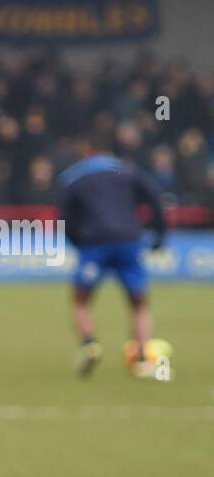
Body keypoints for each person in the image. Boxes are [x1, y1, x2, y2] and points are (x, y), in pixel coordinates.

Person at [58, 134, 168, 377]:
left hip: (94, 244)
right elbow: (155, 198)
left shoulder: (73, 177)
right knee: (139, 303)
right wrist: (159, 235)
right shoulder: (128, 171)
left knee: (81, 300)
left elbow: (65, 218)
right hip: (128, 241)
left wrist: (78, 243)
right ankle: (141, 357)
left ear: (87, 152)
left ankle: (89, 344)